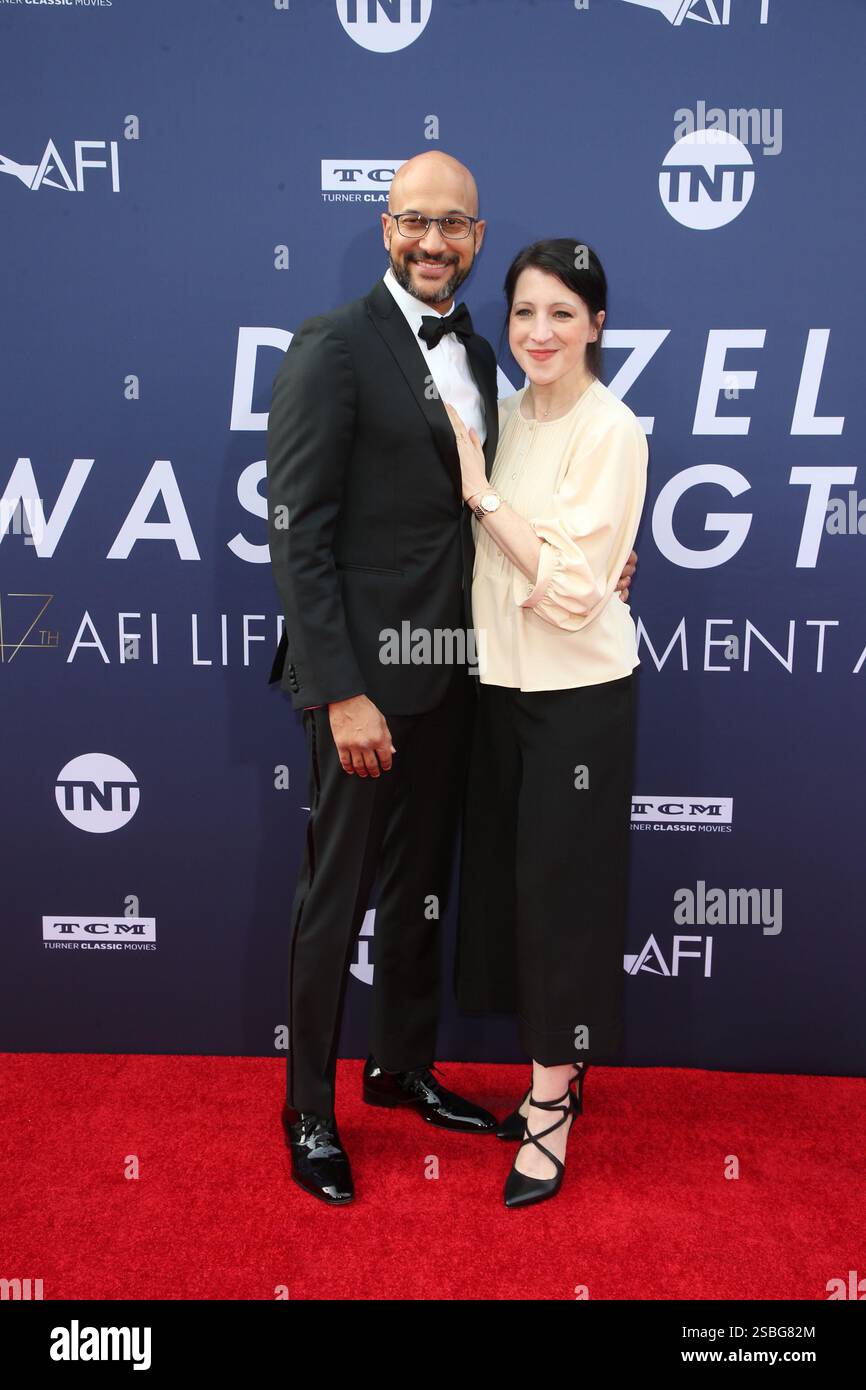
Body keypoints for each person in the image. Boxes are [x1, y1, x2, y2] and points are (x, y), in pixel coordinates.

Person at [266, 154, 637, 1206]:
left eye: (455, 227)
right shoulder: (332, 346)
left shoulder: (483, 349)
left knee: (420, 888)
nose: (434, 242)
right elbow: (299, 537)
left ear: (476, 239)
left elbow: (504, 506)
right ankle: (306, 1110)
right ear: (385, 228)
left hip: (462, 678)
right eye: (415, 223)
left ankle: (399, 1066)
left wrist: (596, 552)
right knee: (333, 897)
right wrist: (338, 688)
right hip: (363, 691)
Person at [444, 238, 648, 1209]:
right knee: (512, 894)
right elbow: (531, 566)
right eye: (524, 312)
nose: (538, 332)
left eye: (561, 314)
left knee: (560, 901)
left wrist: (480, 495)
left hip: (576, 702)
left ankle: (551, 1101)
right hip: (499, 687)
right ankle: (556, 1070)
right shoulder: (507, 414)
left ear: (596, 324)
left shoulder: (610, 429)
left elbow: (568, 591)